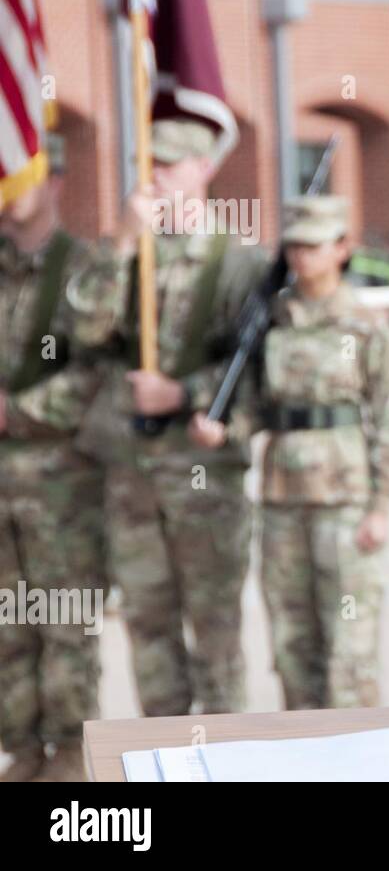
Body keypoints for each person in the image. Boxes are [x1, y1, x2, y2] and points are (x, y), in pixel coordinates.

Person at [67, 118, 266, 717]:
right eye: (151, 161)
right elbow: (85, 330)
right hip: (133, 476)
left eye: (173, 162)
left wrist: (181, 394)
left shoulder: (239, 263)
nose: (157, 173)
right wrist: (124, 242)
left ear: (205, 170)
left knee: (216, 635)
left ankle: (228, 762)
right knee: (148, 629)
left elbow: (259, 376)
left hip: (204, 478)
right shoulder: (132, 256)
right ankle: (162, 759)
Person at [189, 195, 389, 709]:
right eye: (294, 245)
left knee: (349, 648)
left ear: (341, 248)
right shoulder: (270, 320)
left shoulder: (364, 326)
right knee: (291, 641)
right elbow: (255, 408)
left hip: (345, 501)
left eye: (314, 244)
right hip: (283, 500)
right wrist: (224, 429)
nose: (302, 255)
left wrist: (380, 507)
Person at [0, 154, 106, 781]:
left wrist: (16, 412)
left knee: (64, 622)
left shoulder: (84, 271)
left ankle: (69, 757)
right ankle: (22, 752)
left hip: (62, 484)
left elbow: (96, 369)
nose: (10, 188)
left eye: (22, 171)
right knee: (8, 623)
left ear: (58, 179)